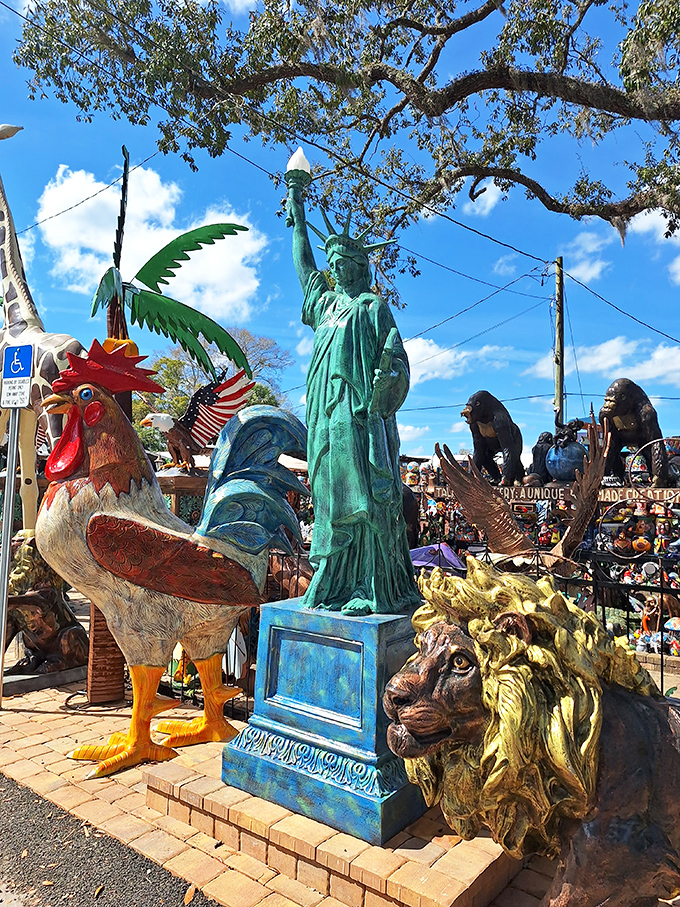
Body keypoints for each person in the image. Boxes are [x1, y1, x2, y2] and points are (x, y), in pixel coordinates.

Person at [286, 188, 420, 615]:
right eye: (332, 262)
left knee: (362, 496)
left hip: (357, 415)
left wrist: (385, 382)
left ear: (360, 266)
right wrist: (298, 211)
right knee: (328, 496)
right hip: (322, 414)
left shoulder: (371, 307)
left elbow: (396, 358)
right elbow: (304, 268)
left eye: (342, 262)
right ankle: (333, 582)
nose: (335, 269)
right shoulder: (325, 306)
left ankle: (370, 586)